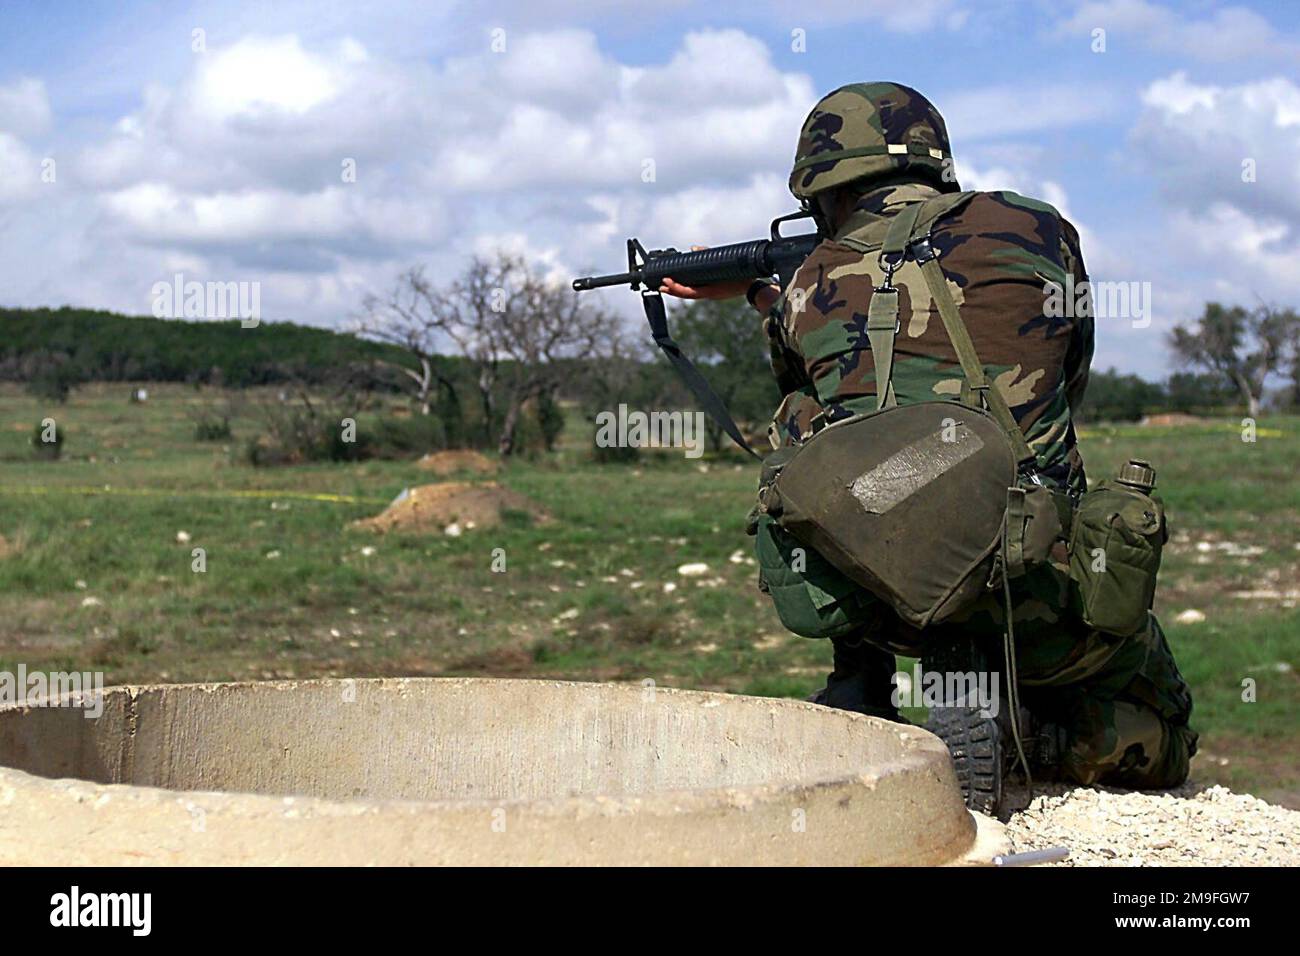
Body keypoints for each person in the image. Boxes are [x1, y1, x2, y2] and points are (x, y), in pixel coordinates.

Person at [660, 82, 1197, 803]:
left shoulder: (808, 282)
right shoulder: (1040, 230)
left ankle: (860, 683)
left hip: (881, 596)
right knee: (1168, 733)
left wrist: (768, 297)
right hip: (1037, 593)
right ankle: (1041, 735)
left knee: (806, 431)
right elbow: (1071, 375)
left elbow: (813, 382)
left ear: (822, 188)